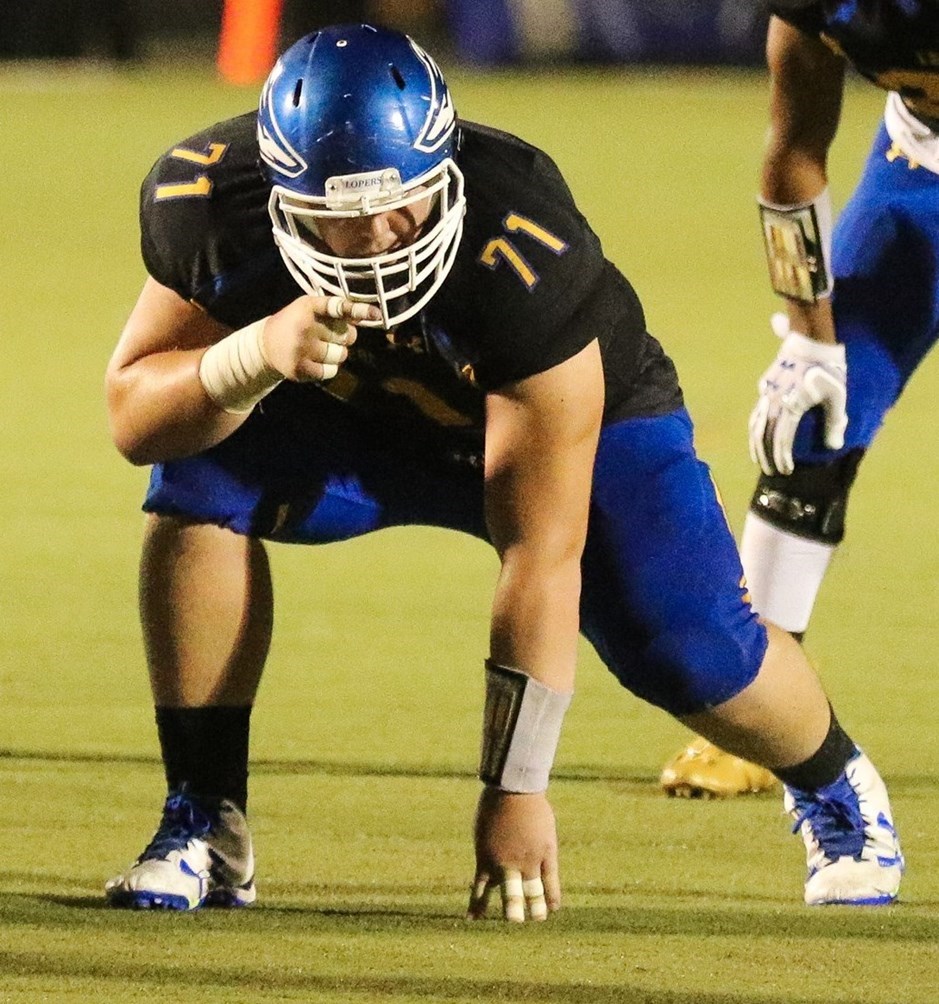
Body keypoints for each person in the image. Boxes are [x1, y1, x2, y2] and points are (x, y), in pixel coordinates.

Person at [104, 23, 903, 918]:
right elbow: (137, 418)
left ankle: (837, 787)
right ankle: (203, 825)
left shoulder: (524, 242)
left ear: (441, 171)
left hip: (571, 433)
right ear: (280, 192)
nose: (374, 237)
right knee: (198, 487)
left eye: (401, 204)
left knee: (691, 651)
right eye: (340, 212)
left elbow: (540, 552)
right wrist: (247, 356)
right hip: (359, 417)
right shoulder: (209, 199)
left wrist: (517, 787)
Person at [660, 0, 939, 799]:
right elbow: (792, 155)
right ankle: (755, 720)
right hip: (923, 171)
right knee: (815, 421)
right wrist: (810, 341)